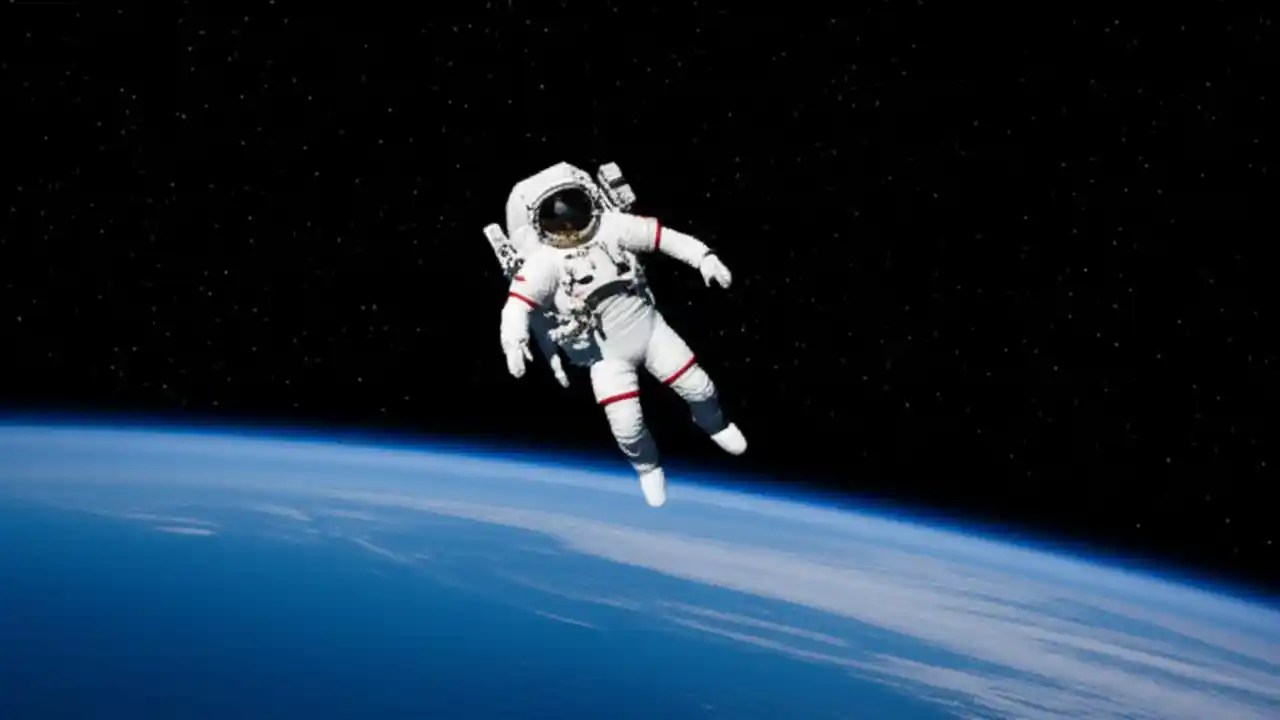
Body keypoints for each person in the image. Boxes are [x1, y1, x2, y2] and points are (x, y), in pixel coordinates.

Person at [496, 162, 747, 507]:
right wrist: (514, 340)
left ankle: (715, 426)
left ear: (590, 201)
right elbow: (516, 305)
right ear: (540, 225)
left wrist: (703, 257)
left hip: (650, 330)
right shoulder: (544, 262)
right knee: (627, 427)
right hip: (605, 354)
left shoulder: (614, 227)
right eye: (557, 220)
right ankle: (647, 467)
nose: (569, 228)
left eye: (575, 212)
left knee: (701, 388)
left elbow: (664, 238)